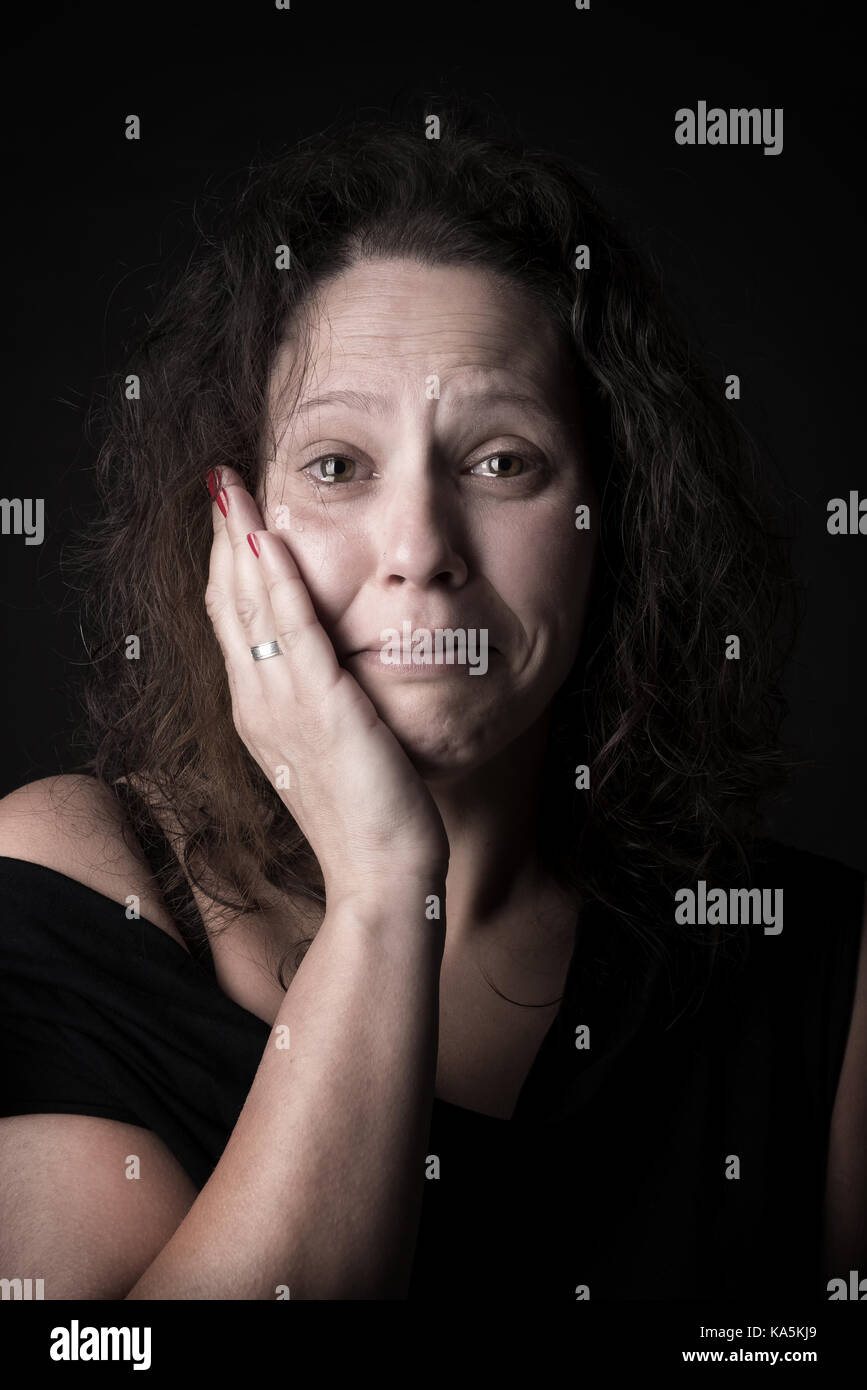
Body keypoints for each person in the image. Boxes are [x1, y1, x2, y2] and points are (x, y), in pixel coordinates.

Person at [0, 103, 864, 1301]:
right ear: (233, 526)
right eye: (337, 466)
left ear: (608, 528)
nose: (420, 547)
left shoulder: (820, 965)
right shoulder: (70, 880)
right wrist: (381, 889)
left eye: (503, 462)